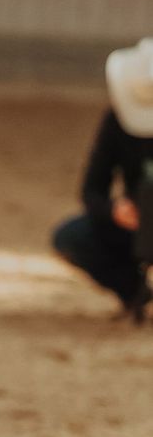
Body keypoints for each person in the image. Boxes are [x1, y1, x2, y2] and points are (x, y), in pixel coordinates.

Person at [51, 37, 153, 323]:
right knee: (72, 237)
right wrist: (115, 210)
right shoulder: (116, 122)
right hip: (137, 224)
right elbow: (91, 190)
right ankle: (135, 291)